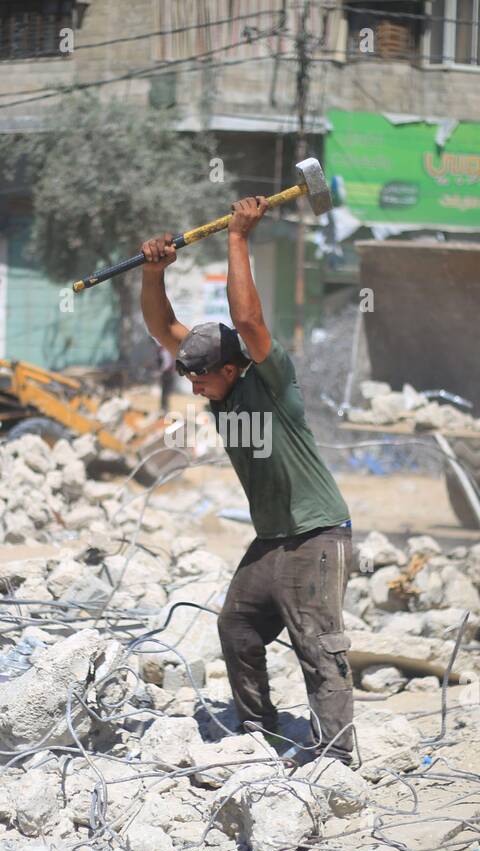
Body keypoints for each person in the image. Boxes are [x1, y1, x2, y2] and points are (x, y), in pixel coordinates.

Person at [138, 196, 357, 766]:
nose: (194, 390)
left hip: (317, 534)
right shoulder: (219, 379)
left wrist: (238, 238)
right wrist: (155, 273)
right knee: (237, 627)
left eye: (201, 379)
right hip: (272, 538)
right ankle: (262, 736)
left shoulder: (271, 376)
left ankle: (337, 759)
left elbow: (250, 321)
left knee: (318, 643)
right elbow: (164, 327)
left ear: (232, 368)